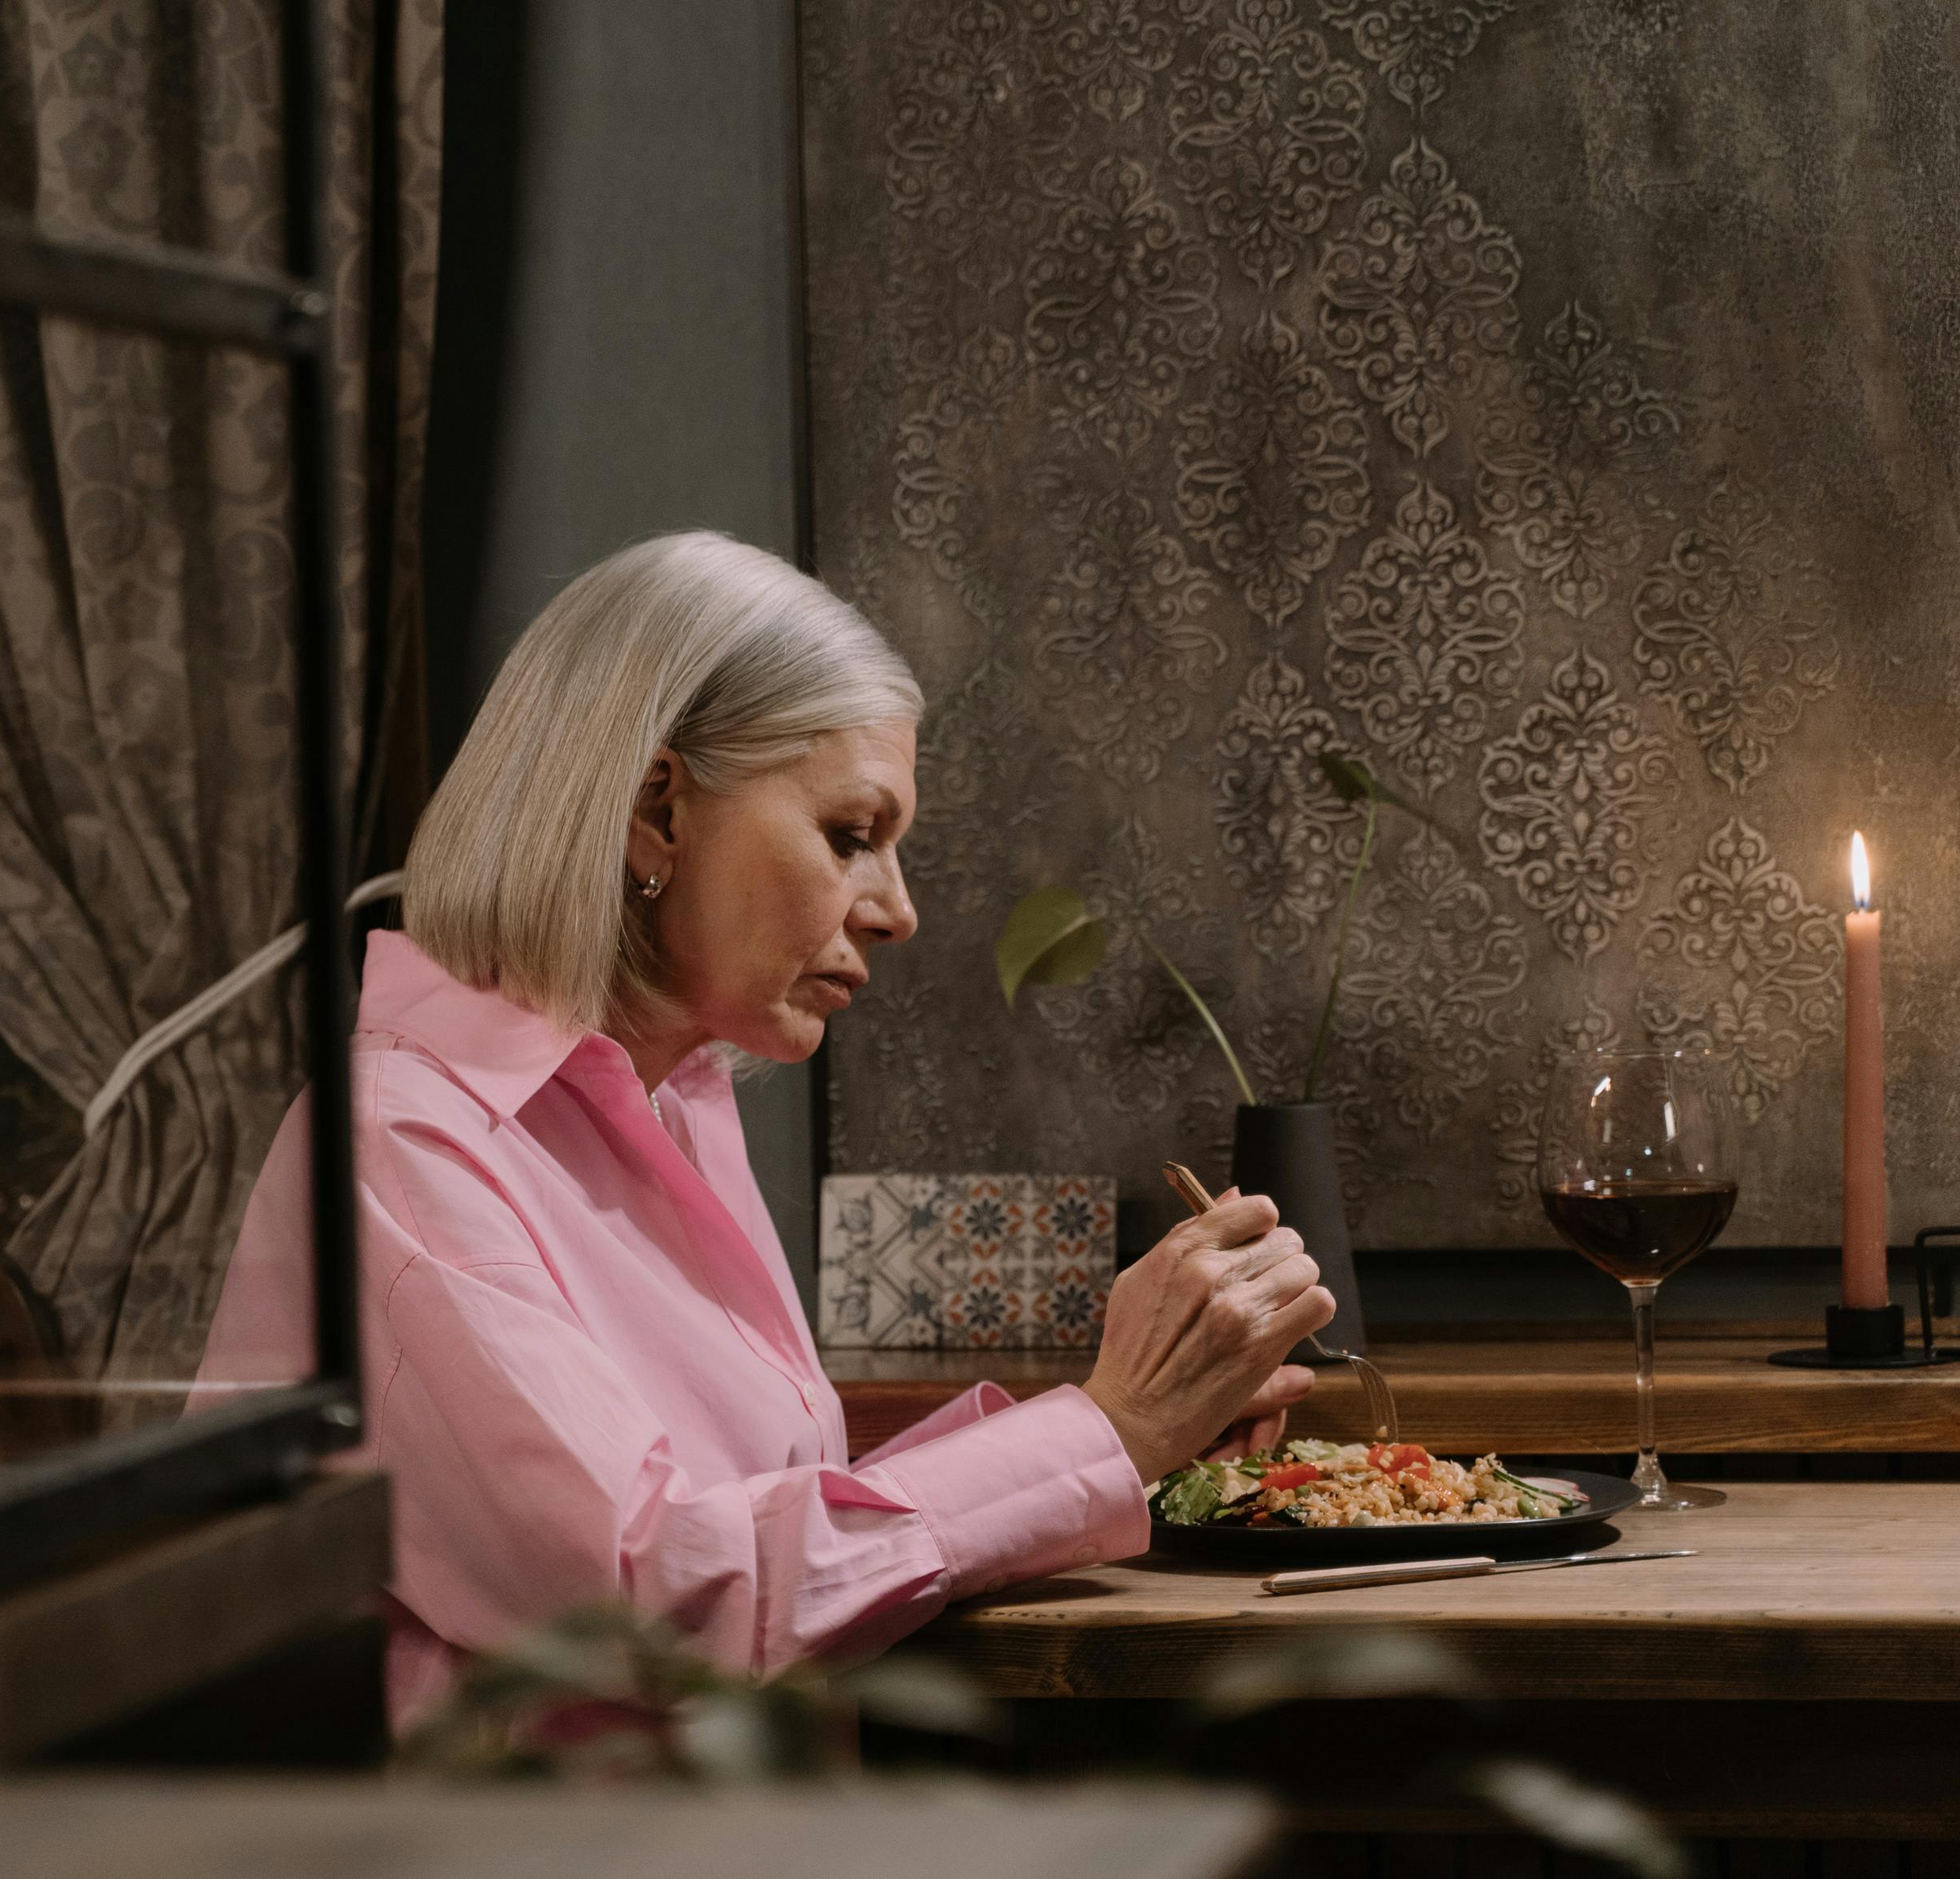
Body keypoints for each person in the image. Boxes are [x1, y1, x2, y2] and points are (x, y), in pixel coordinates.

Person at [195, 531, 1334, 1728]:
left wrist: (1129, 1431)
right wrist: (1107, 1427)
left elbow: (753, 1521)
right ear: (657, 810)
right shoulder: (401, 1141)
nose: (900, 910)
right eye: (852, 835)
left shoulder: (671, 1098)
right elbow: (649, 1604)